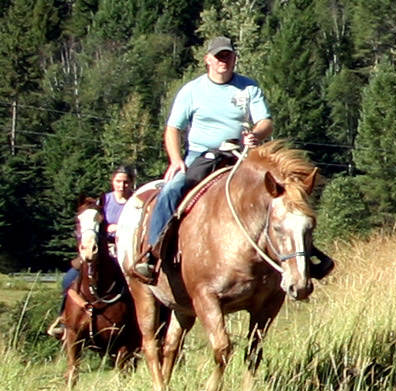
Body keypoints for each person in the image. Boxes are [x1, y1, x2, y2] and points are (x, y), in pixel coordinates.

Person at [131, 35, 271, 282]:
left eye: (227, 56)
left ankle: (298, 257)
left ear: (234, 58)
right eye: (218, 56)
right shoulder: (192, 91)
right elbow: (173, 128)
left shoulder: (249, 88)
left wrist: (256, 134)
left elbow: (265, 122)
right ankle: (153, 253)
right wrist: (176, 160)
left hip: (239, 155)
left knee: (276, 191)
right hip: (201, 156)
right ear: (208, 59)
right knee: (172, 189)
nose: (223, 61)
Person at [60, 166, 136, 301]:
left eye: (126, 182)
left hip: (128, 249)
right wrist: (106, 228)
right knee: (68, 280)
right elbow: (92, 222)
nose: (121, 186)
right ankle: (64, 312)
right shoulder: (104, 201)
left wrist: (121, 228)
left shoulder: (136, 201)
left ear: (131, 183)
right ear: (112, 181)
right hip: (103, 248)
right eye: (118, 181)